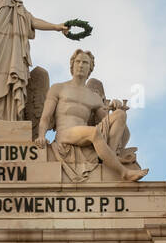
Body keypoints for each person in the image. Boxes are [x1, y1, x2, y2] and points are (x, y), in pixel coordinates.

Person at [37, 49, 147, 182]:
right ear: (72, 65)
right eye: (78, 61)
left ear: (90, 68)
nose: (81, 65)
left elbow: (108, 122)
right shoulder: (59, 88)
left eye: (85, 62)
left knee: (120, 115)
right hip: (65, 134)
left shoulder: (94, 97)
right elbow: (46, 117)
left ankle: (110, 156)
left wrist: (115, 108)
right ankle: (124, 172)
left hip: (84, 134)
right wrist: (41, 136)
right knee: (93, 132)